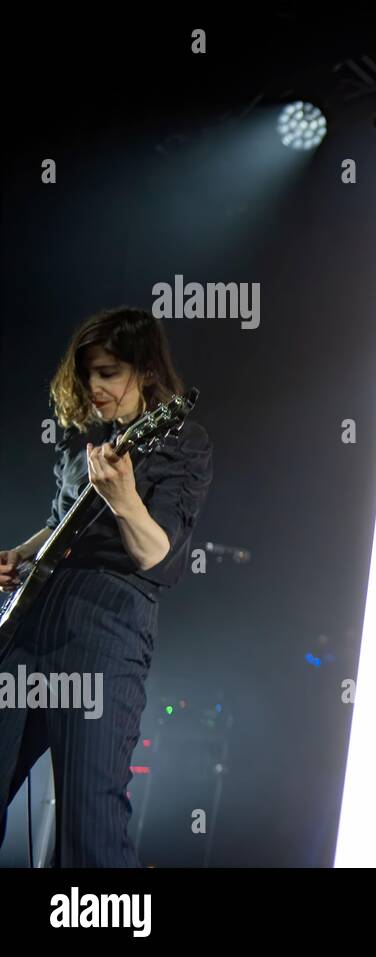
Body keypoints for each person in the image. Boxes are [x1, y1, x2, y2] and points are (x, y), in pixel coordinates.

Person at [0, 306, 213, 866]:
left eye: (109, 372)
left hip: (106, 624)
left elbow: (154, 554)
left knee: (88, 819)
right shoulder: (86, 446)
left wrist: (124, 497)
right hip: (31, 621)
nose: (95, 387)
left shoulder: (178, 441)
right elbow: (61, 520)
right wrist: (18, 556)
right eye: (88, 373)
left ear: (144, 371)